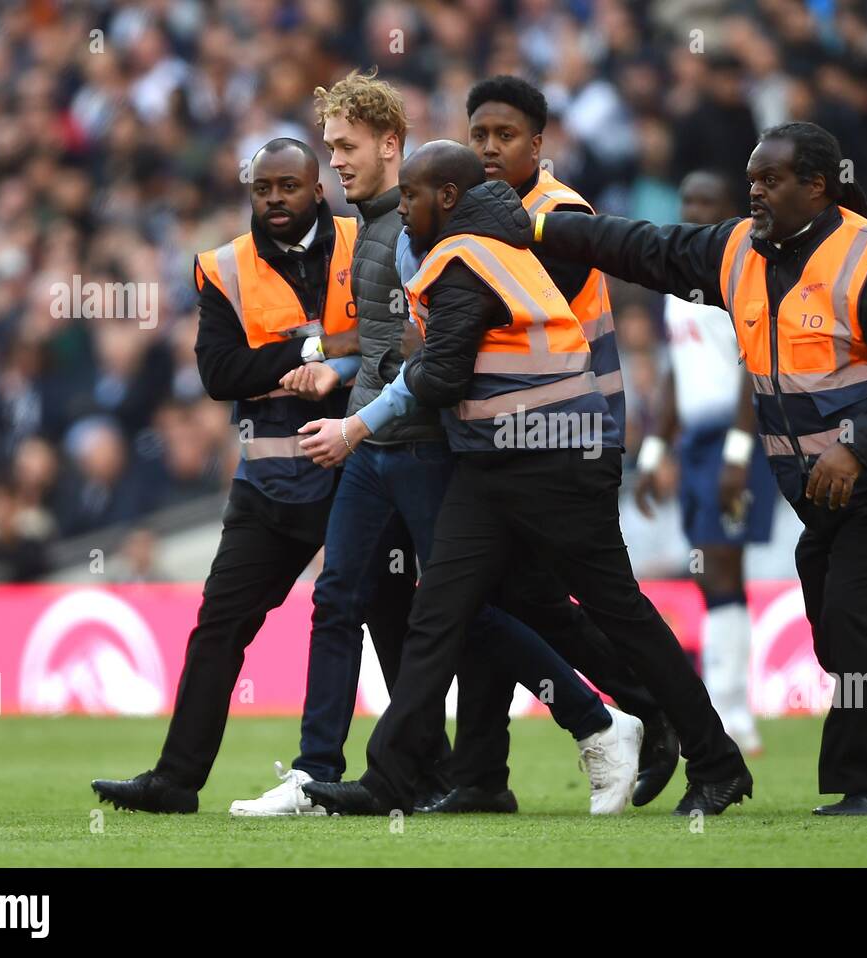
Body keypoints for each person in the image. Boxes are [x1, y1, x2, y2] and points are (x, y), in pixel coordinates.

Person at [522, 121, 867, 816]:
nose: (754, 191)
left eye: (771, 180)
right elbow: (639, 248)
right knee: (840, 636)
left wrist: (857, 445)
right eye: (751, 178)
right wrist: (539, 230)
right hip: (831, 492)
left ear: (817, 186)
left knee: (854, 630)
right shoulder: (736, 252)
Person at [237, 72, 648, 818]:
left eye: (347, 146)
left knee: (469, 613)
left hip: (430, 445)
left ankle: (598, 721)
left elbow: (425, 364)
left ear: (391, 147)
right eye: (330, 148)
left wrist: (355, 413)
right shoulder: (376, 232)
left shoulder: (424, 232)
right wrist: (332, 372)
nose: (336, 163)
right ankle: (312, 772)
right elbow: (388, 350)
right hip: (374, 447)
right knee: (337, 600)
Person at [301, 141, 751, 818]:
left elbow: (445, 373)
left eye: (416, 196)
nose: (407, 207)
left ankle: (717, 762)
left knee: (617, 612)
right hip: (497, 459)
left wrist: (363, 418)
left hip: (558, 459)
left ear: (445, 200)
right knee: (439, 612)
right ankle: (390, 780)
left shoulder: (461, 261)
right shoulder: (485, 248)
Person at [90, 138, 388, 813]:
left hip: (357, 468)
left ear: (318, 189)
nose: (275, 199)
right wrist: (315, 348)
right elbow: (219, 374)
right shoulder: (224, 269)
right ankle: (177, 780)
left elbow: (385, 339)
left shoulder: (364, 241)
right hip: (270, 487)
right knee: (219, 626)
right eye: (263, 188)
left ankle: (425, 773)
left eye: (289, 185)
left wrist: (305, 363)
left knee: (392, 618)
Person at [426, 74, 678, 810]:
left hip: (570, 439)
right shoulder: (474, 220)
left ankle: (655, 708)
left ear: (540, 145)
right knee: (506, 599)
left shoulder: (559, 218)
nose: (490, 148)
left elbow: (486, 322)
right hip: (507, 447)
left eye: (505, 136)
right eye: (479, 136)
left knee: (567, 601)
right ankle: (481, 776)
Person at [633, 169, 777, 754]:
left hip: (733, 438)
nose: (693, 210)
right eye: (686, 200)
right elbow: (675, 374)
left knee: (721, 564)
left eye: (705, 202)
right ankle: (727, 706)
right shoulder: (677, 285)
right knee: (710, 571)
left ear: (731, 212)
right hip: (692, 439)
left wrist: (739, 456)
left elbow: (755, 373)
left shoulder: (742, 279)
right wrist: (652, 450)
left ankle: (732, 711)